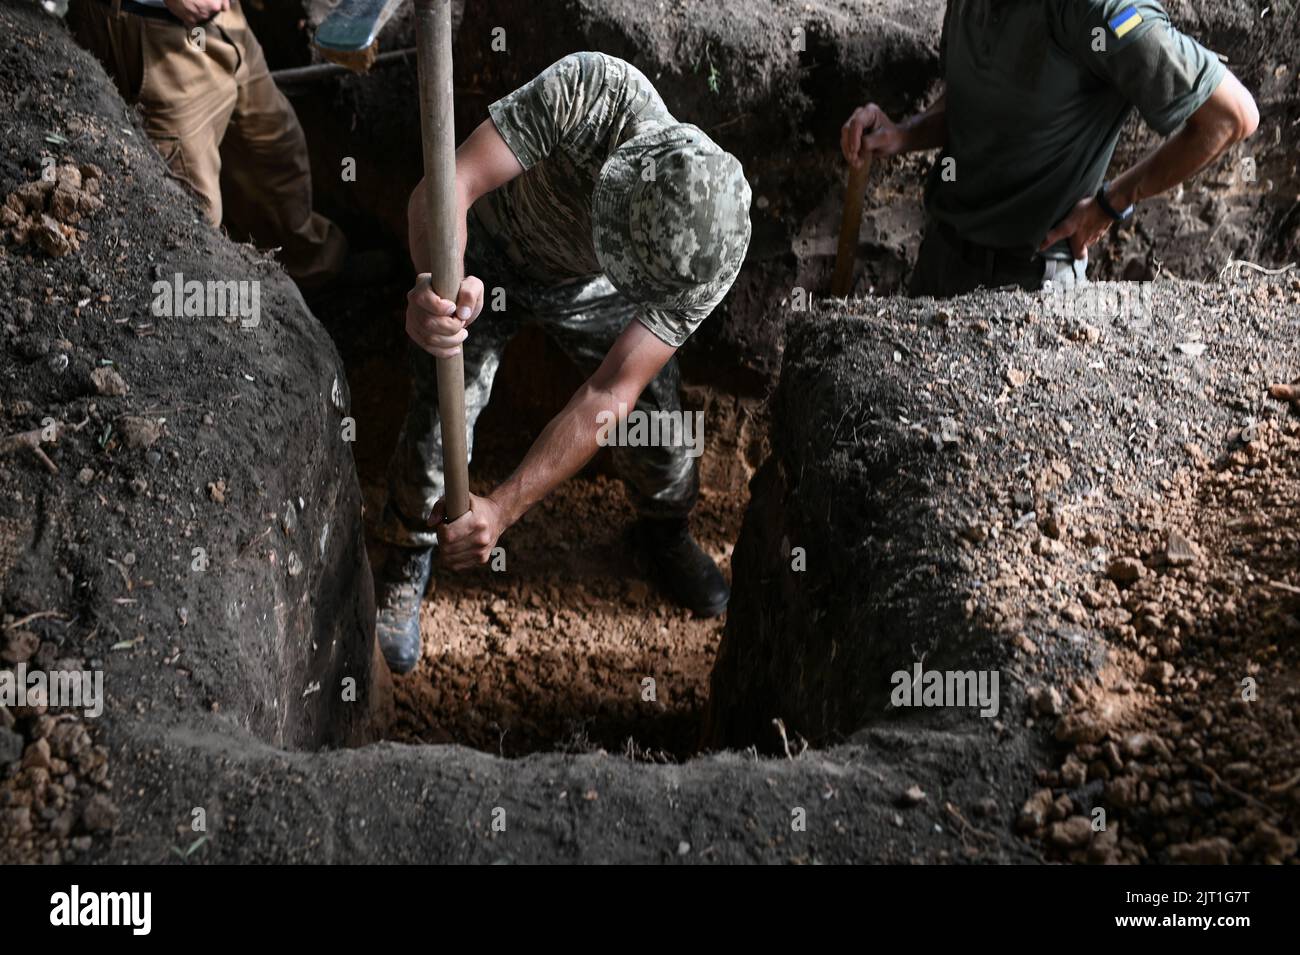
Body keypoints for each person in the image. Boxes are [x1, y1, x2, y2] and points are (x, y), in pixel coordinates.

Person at [373, 52, 752, 674]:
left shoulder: (712, 255)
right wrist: (435, 285)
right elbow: (449, 185)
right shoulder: (596, 91)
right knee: (440, 425)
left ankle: (662, 531)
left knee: (663, 438)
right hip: (486, 255)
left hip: (593, 292)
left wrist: (504, 509)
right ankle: (410, 547)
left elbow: (609, 396)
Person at [841, 0, 1259, 297]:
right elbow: (972, 97)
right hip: (940, 260)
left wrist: (1113, 201)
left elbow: (1233, 116)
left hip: (1030, 288)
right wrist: (902, 134)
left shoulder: (1102, 15)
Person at [67, 0, 346, 288]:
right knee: (195, 219)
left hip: (226, 19)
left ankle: (313, 269)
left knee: (276, 149)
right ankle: (232, 310)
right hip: (153, 32)